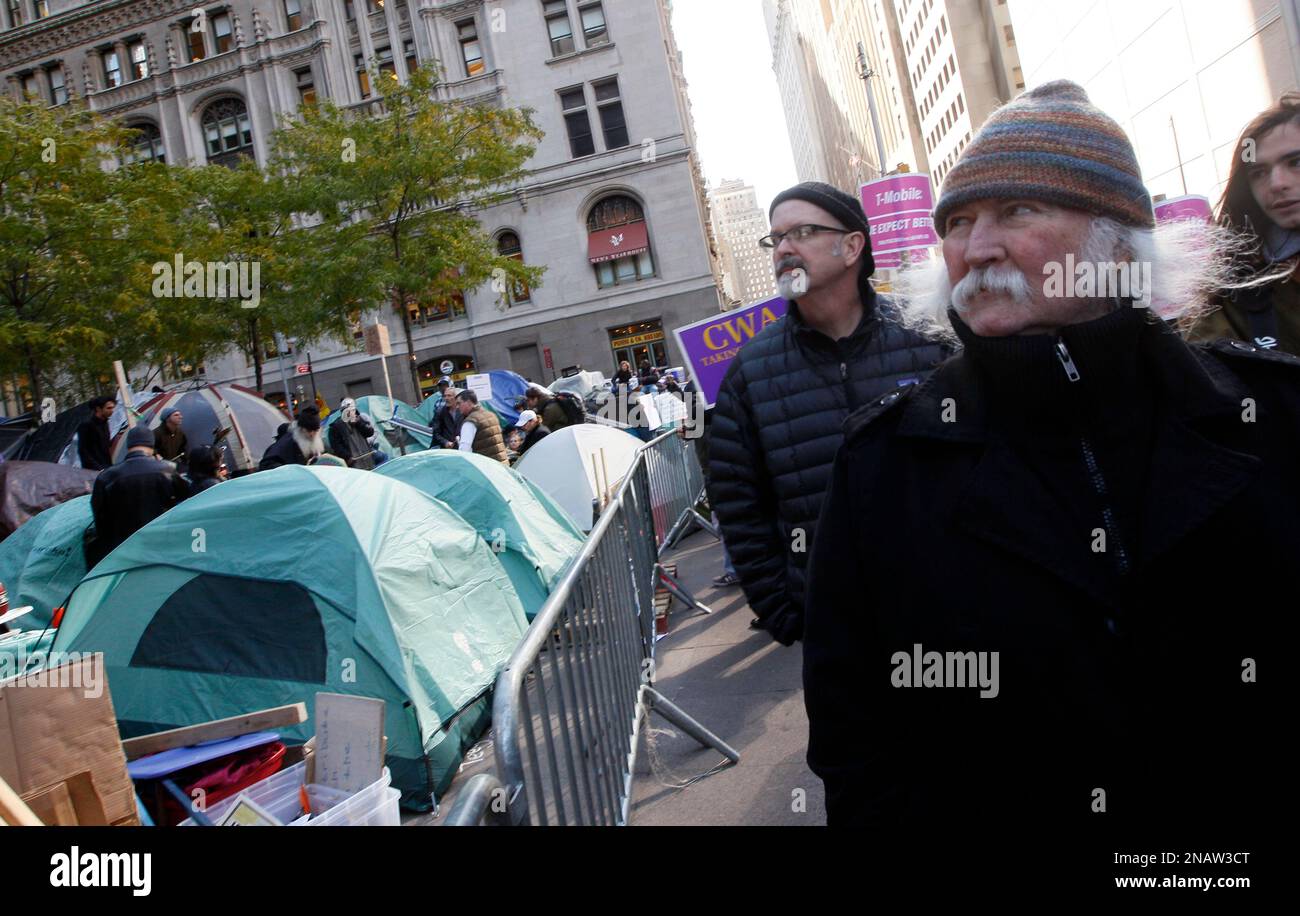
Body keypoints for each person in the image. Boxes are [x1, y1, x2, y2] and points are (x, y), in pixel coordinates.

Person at [804, 81, 1294, 843]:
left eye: (1018, 211)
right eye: (958, 222)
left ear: (1118, 239)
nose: (977, 247)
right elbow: (855, 735)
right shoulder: (883, 467)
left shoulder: (1273, 418)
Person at [707, 180, 946, 646]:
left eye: (802, 232)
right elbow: (738, 503)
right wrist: (783, 608)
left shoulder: (928, 336)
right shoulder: (751, 371)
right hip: (836, 636)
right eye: (775, 239)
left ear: (853, 245)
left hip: (947, 613)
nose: (784, 249)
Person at [1189, 92, 1300, 354]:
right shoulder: (1237, 289)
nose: (1276, 184)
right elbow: (1204, 376)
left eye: (1296, 162)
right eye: (1258, 173)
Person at [88, 424, 190, 563]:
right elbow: (187, 500)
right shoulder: (168, 470)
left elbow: (99, 514)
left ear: (128, 445)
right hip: (161, 547)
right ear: (151, 445)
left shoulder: (107, 476)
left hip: (121, 551)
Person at [259, 406, 325, 470]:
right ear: (300, 429)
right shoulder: (287, 442)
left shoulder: (313, 441)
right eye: (309, 430)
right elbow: (266, 464)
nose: (312, 434)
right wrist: (289, 471)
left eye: (315, 431)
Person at [455, 390, 509, 464]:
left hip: (487, 468)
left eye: (459, 403)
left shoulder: (470, 421)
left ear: (468, 402)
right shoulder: (491, 415)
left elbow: (464, 450)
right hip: (502, 464)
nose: (457, 407)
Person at [327, 397, 376, 469]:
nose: (350, 413)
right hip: (353, 462)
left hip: (367, 458)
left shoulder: (359, 419)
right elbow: (336, 446)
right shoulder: (337, 426)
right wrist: (347, 457)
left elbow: (370, 432)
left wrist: (359, 423)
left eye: (352, 410)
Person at [77, 395, 116, 471]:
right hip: (94, 470)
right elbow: (83, 450)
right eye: (108, 408)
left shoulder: (105, 423)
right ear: (98, 409)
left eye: (113, 407)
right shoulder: (87, 425)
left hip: (107, 467)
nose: (112, 410)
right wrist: (98, 468)